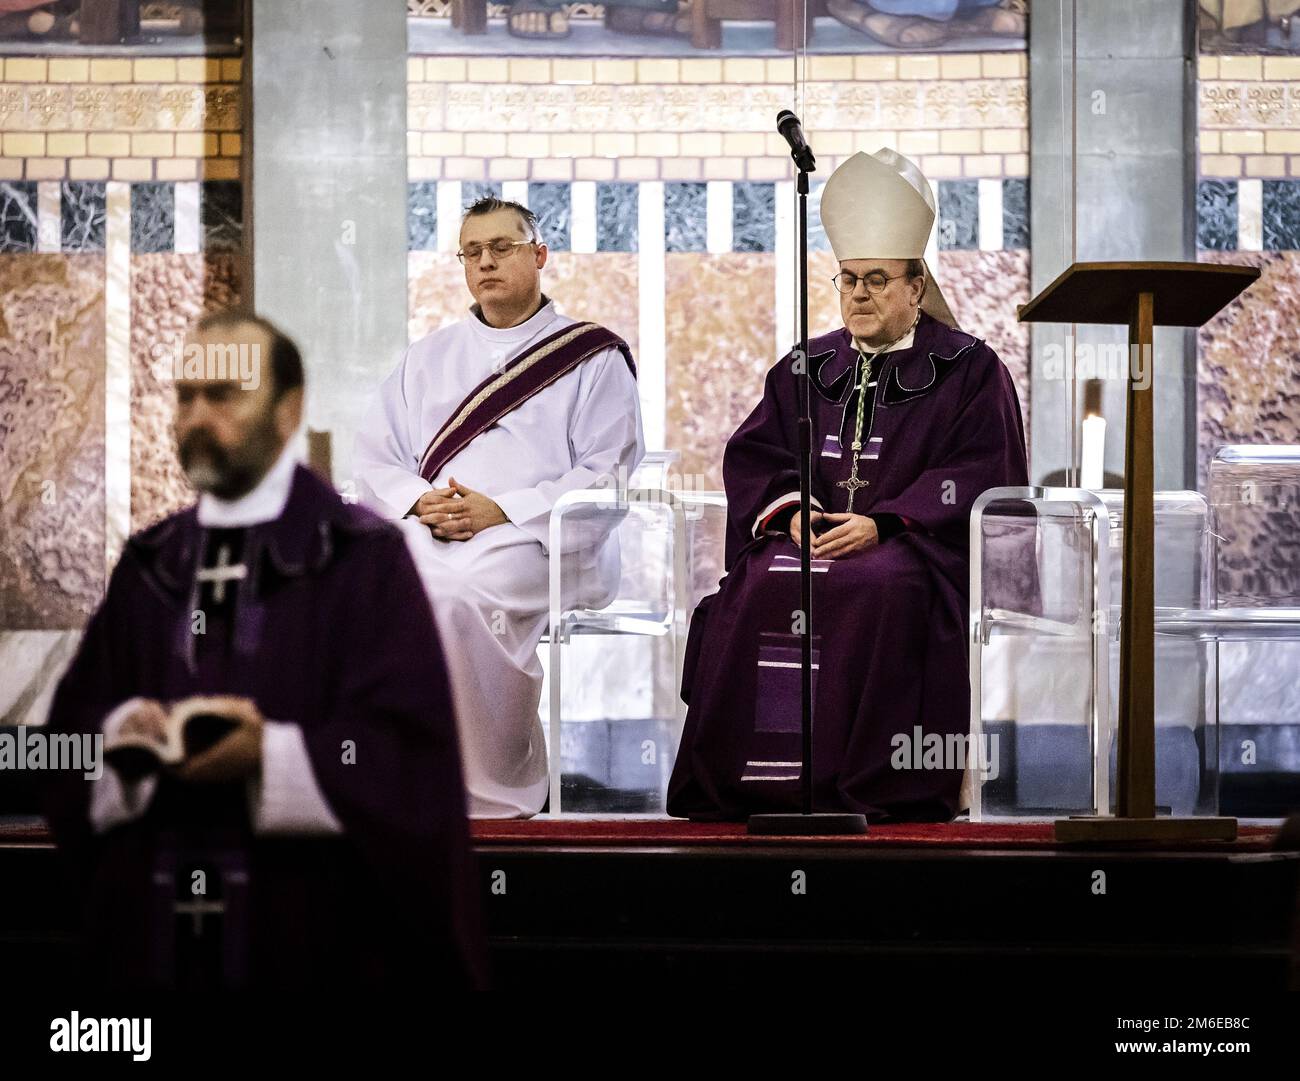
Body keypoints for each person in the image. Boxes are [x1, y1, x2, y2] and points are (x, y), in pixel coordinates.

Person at [40, 312, 485, 989]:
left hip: (306, 940)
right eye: (186, 395)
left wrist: (270, 757)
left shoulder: (359, 559)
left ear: (288, 409)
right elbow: (56, 745)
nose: (196, 415)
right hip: (152, 939)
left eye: (223, 395)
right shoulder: (151, 564)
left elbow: (408, 757)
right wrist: (117, 741)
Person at [667, 149, 1029, 822]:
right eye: (848, 280)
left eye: (877, 280)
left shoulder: (969, 368)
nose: (858, 294)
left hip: (918, 553)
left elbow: (986, 468)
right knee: (766, 580)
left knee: (878, 585)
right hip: (815, 536)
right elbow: (757, 452)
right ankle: (755, 786)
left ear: (916, 288)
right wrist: (795, 512)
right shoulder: (806, 365)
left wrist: (889, 522)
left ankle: (871, 787)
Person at [354, 197, 644, 818]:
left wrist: (502, 511)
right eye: (472, 252)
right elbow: (376, 460)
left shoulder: (592, 356)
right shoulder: (425, 358)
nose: (485, 262)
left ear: (539, 256)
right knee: (385, 590)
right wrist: (421, 500)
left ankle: (488, 791)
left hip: (545, 538)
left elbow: (607, 472)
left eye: (502, 248)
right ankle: (405, 779)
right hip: (432, 529)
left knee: (463, 589)